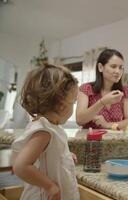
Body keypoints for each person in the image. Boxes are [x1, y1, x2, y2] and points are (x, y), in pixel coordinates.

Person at [11, 64, 80, 200]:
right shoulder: (44, 131)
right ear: (61, 105)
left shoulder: (53, 127)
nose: (73, 107)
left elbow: (48, 153)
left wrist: (63, 155)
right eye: (73, 102)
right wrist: (49, 186)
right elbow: (20, 166)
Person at [76, 48, 128, 130]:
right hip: (90, 141)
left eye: (121, 67)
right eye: (113, 66)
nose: (118, 71)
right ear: (100, 67)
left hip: (115, 141)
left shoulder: (125, 91)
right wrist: (102, 102)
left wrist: (107, 125)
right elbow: (80, 120)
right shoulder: (86, 89)